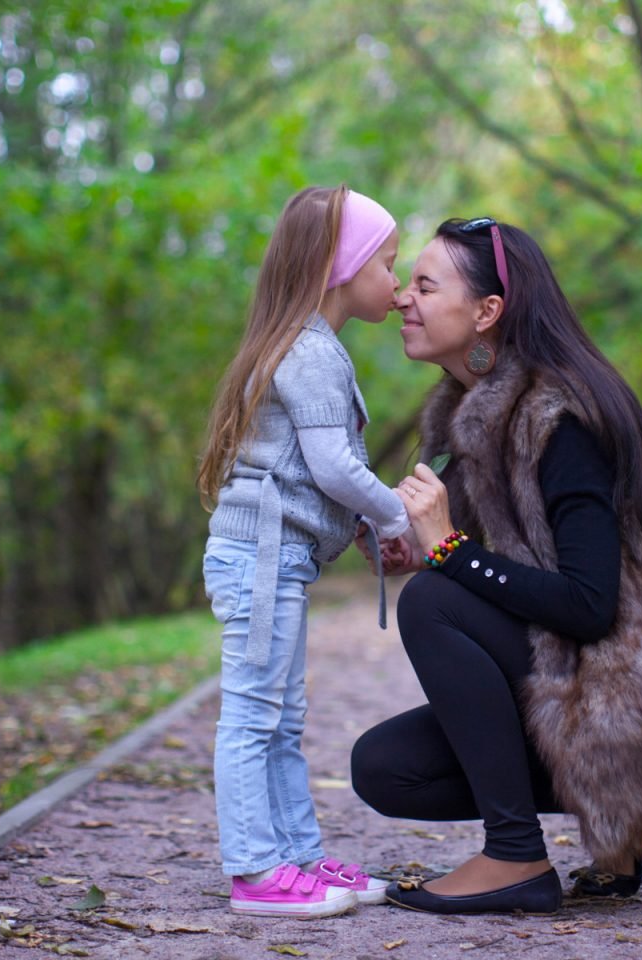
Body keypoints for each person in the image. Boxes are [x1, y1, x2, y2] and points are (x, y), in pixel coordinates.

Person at [351, 217, 642, 915]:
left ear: (488, 311)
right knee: (384, 768)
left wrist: (452, 554)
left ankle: (514, 856)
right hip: (578, 673)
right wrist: (422, 547)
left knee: (433, 602)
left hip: (639, 699)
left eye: (426, 285)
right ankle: (621, 822)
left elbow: (589, 605)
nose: (403, 298)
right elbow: (504, 568)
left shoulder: (560, 418)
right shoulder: (469, 414)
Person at [196, 186, 409, 918]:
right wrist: (394, 515)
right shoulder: (310, 353)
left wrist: (349, 522)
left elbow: (307, 472)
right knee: (255, 714)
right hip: (259, 558)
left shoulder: (311, 346)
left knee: (280, 717)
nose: (399, 282)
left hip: (274, 557)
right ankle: (256, 873)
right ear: (342, 267)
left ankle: (298, 858)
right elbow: (335, 469)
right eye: (388, 262)